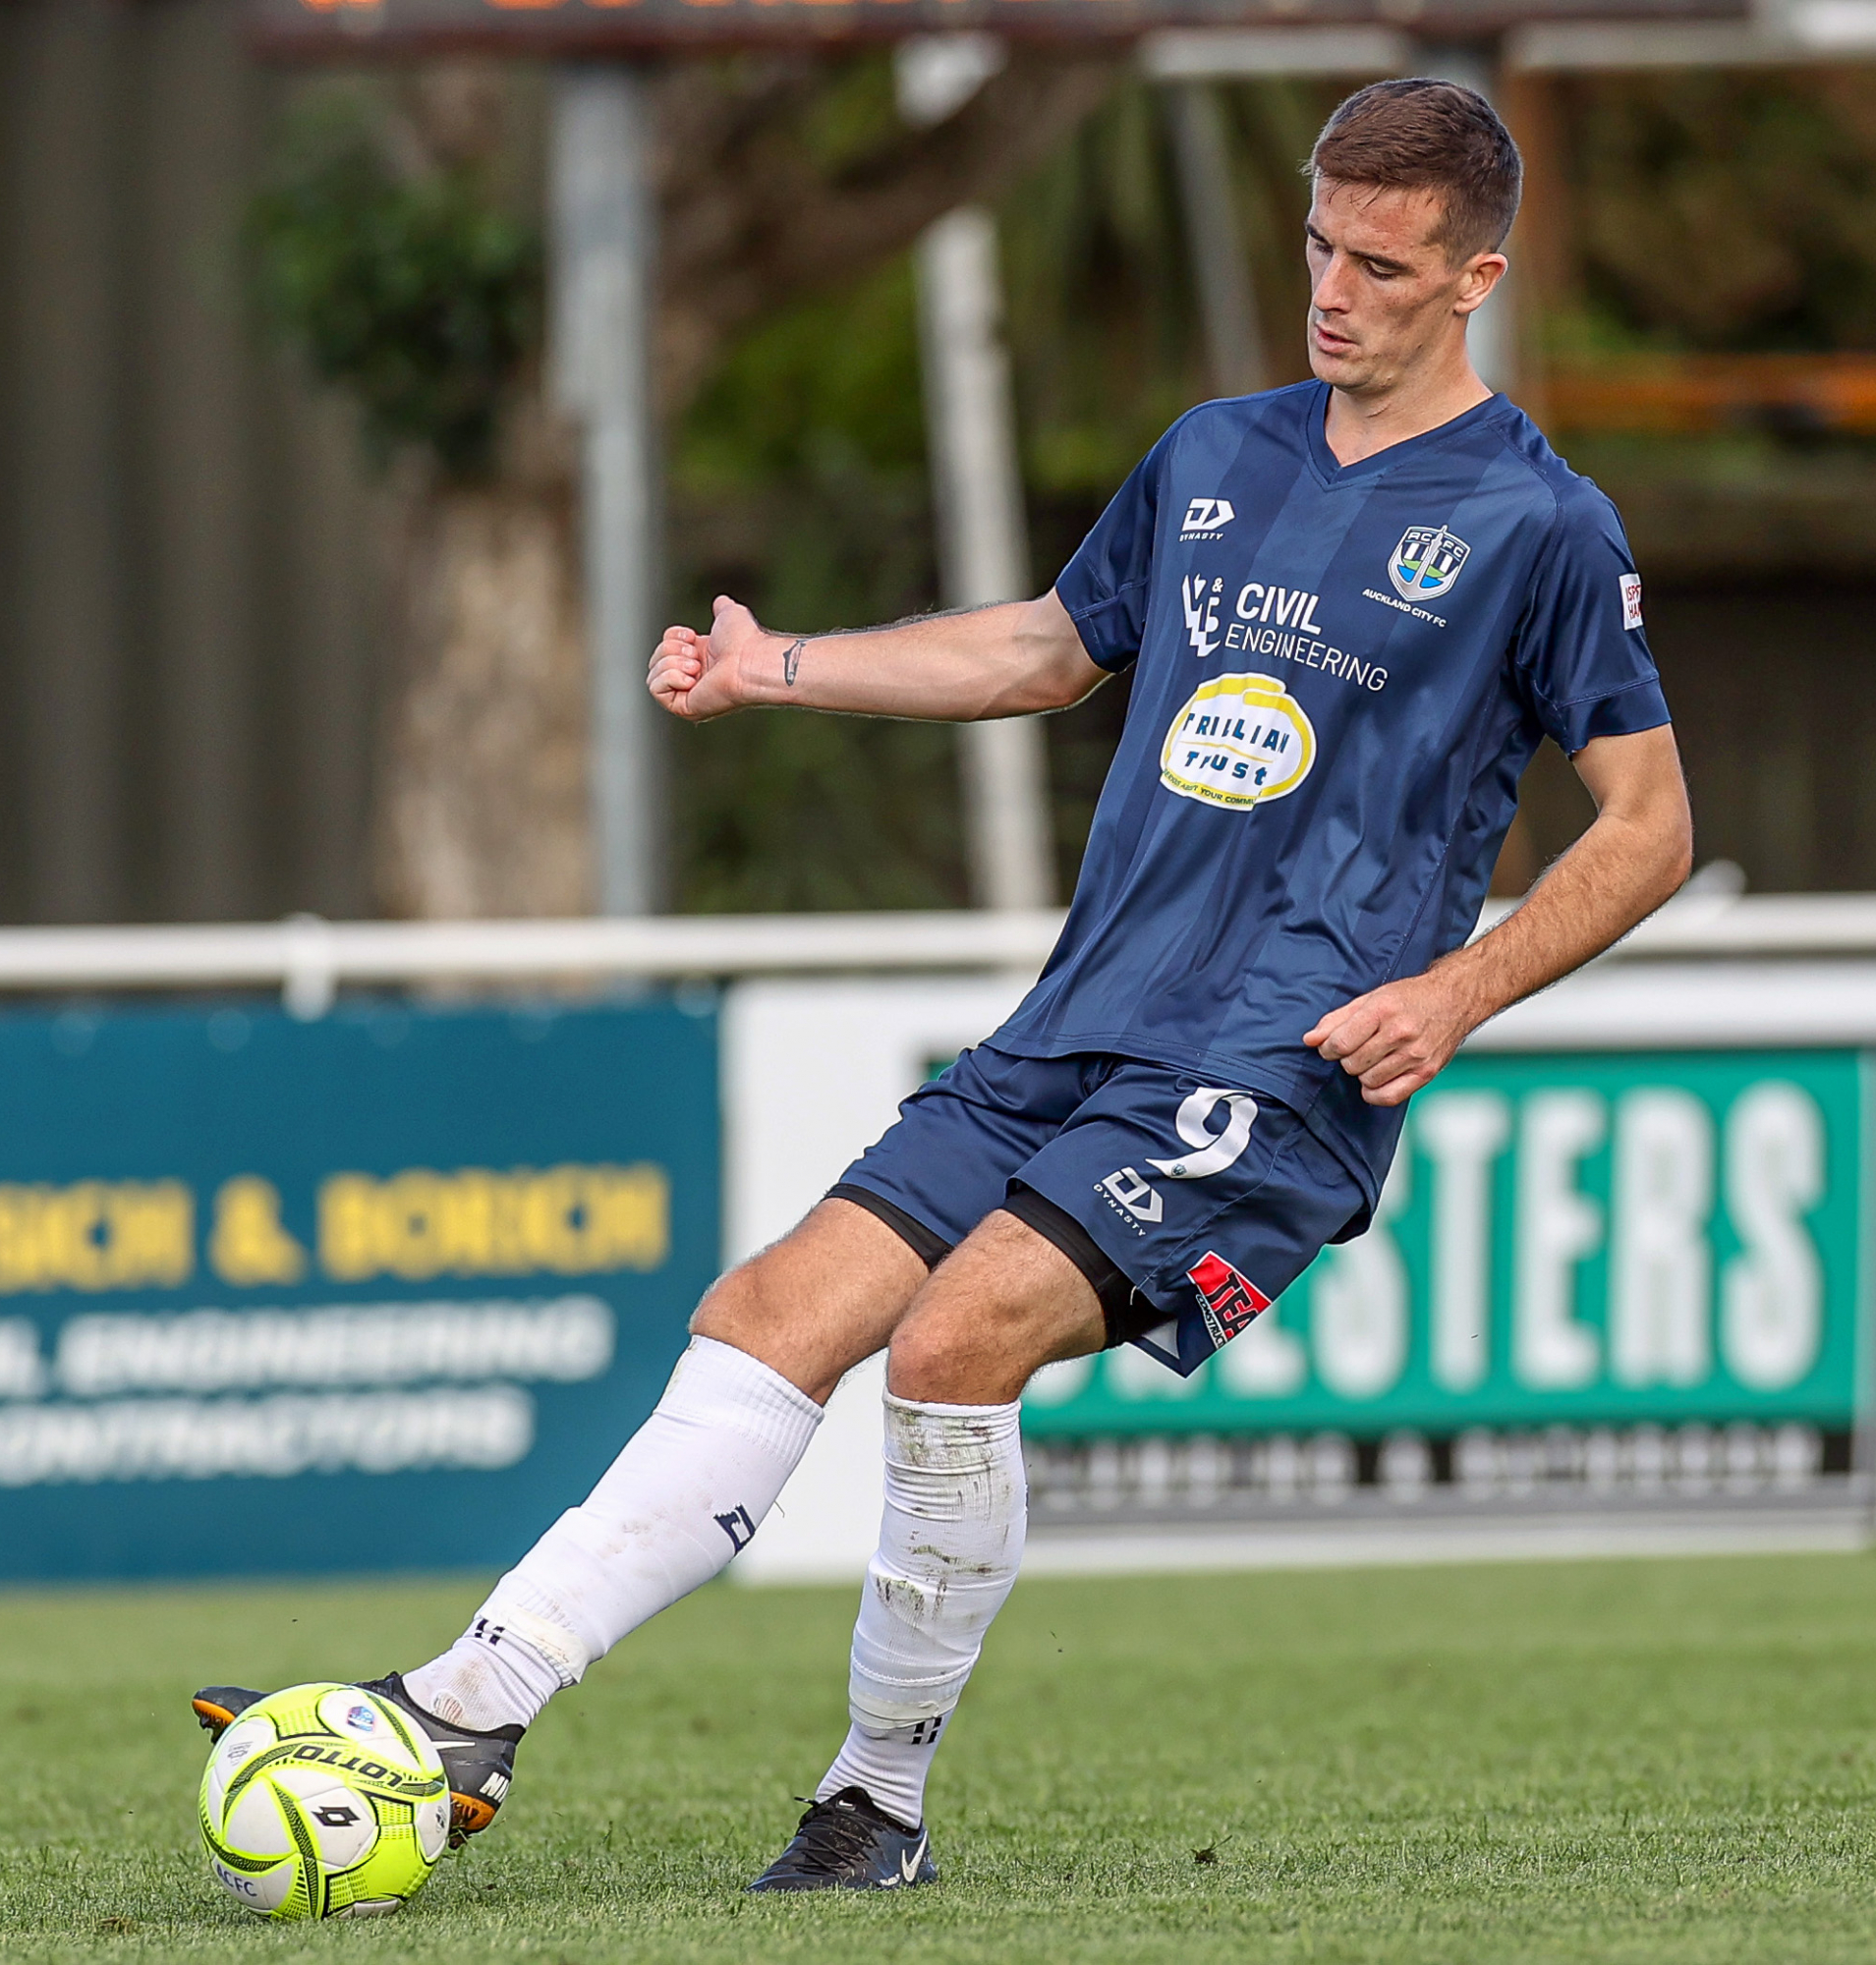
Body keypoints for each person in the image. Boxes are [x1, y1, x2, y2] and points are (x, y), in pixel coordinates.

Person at [194, 75, 1692, 1892]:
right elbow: (1051, 650)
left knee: (953, 1339)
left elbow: (1647, 826)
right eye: (1316, 243)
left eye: (1380, 264)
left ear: (1475, 278)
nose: (1333, 289)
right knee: (771, 1310)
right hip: (1081, 1020)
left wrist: (1455, 995)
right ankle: (464, 1707)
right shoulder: (1220, 452)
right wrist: (782, 669)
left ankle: (872, 1804)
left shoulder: (1541, 523)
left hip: (1277, 1063)